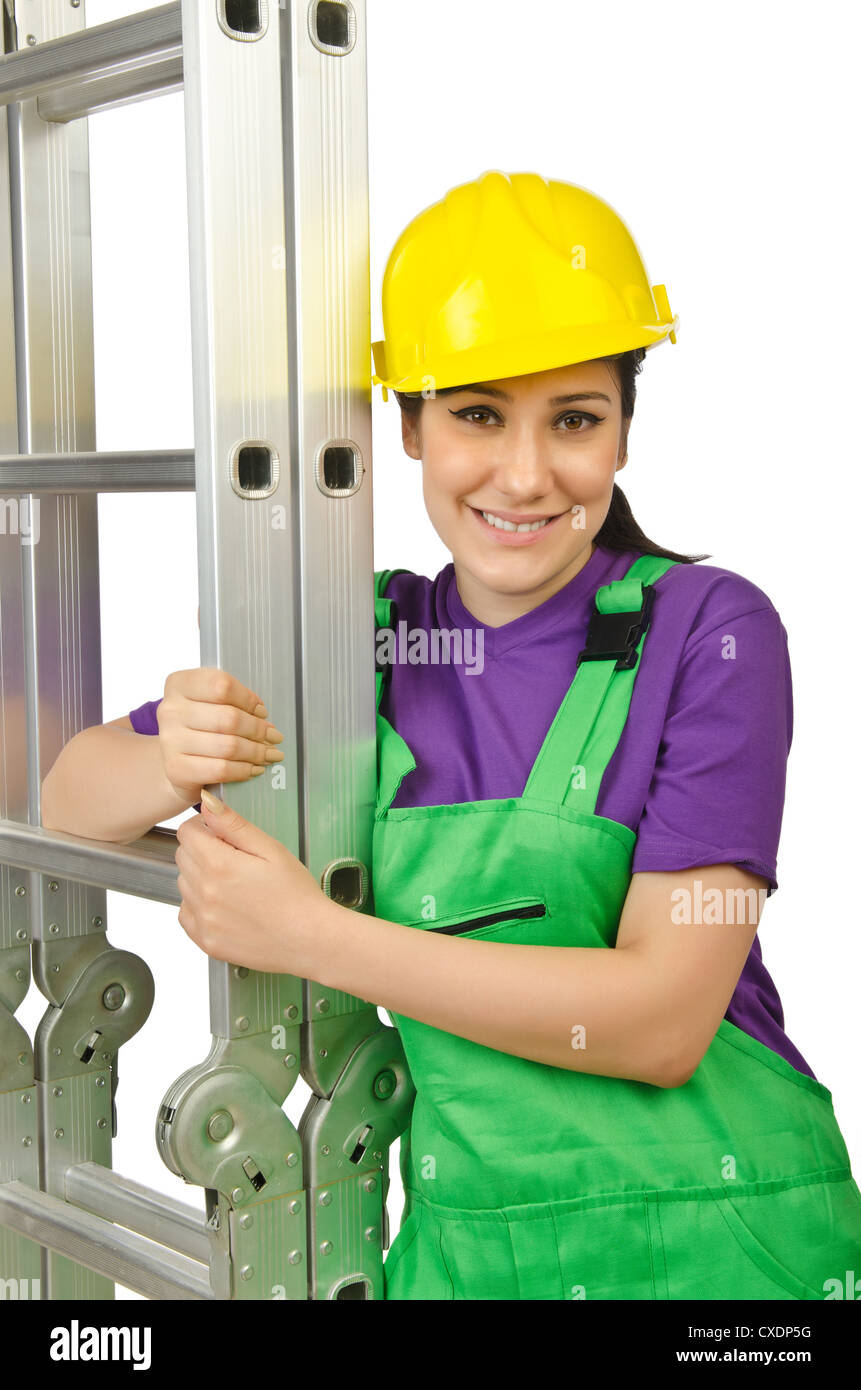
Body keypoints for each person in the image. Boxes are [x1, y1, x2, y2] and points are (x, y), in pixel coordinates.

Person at [41, 170, 861, 1301]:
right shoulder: (356, 646)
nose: (525, 476)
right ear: (409, 425)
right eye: (478, 414)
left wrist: (312, 934)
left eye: (575, 418)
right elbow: (67, 797)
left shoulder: (709, 633)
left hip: (736, 1262)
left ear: (624, 429)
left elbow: (665, 1017)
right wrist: (171, 752)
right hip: (474, 1257)